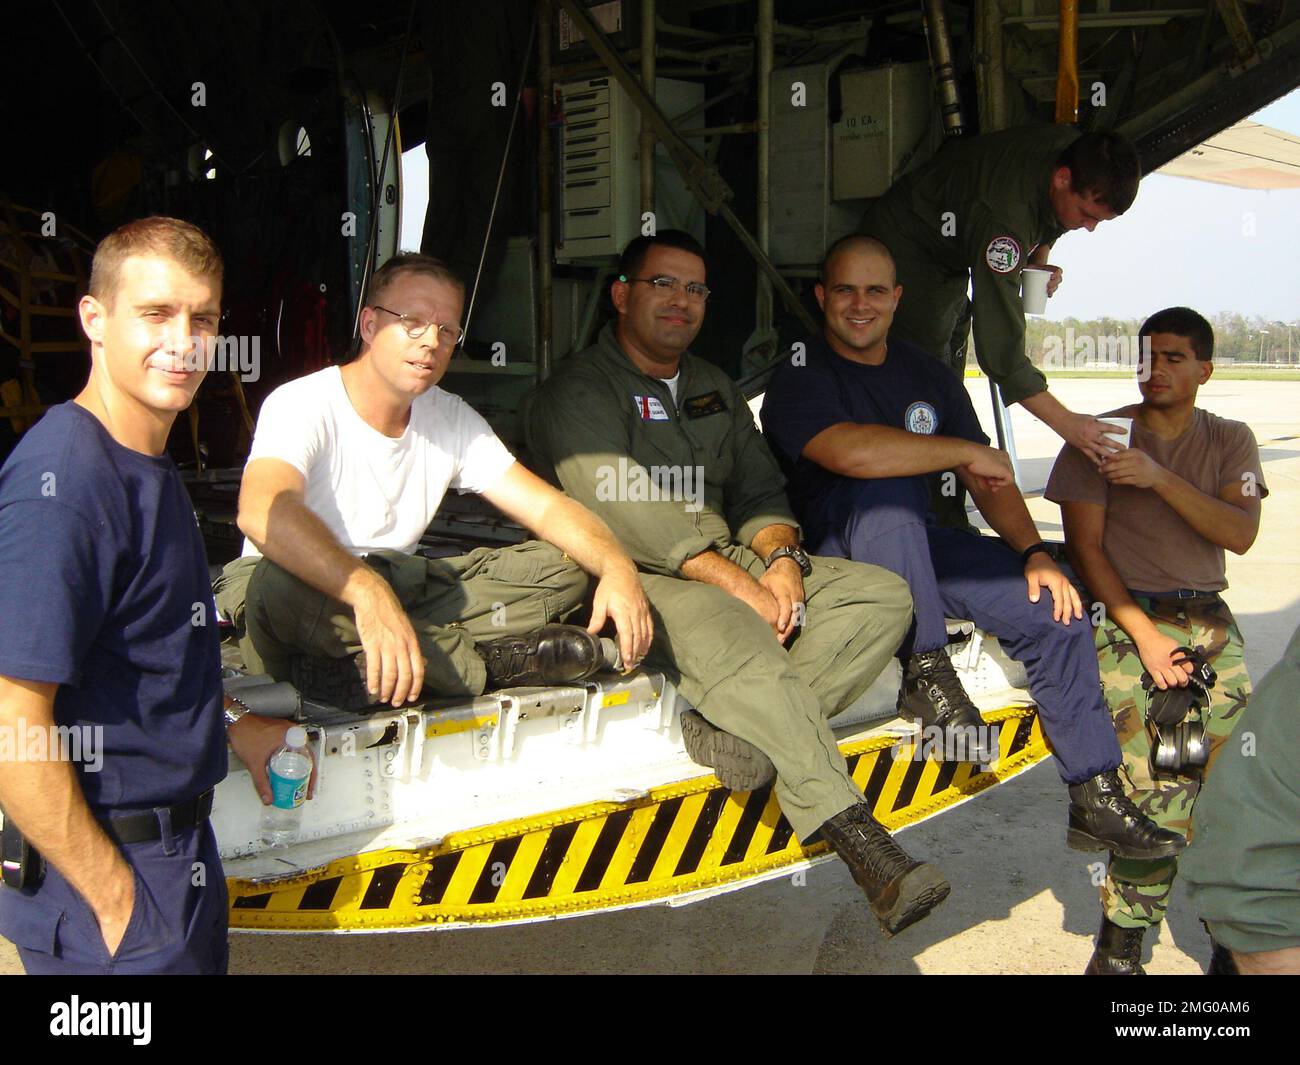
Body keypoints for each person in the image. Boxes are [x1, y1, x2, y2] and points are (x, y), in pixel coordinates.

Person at [524, 230, 950, 937]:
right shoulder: (575, 390)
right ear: (622, 295)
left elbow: (758, 487)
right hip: (637, 571)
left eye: (695, 289)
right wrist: (737, 584)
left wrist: (780, 557)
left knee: (881, 596)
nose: (681, 301)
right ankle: (868, 850)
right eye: (662, 284)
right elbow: (620, 501)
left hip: (727, 556)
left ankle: (734, 729)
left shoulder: (712, 386)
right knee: (743, 639)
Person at [760, 234, 1184, 865]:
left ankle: (1094, 796)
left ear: (897, 298)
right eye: (845, 290)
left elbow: (992, 478)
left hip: (921, 544)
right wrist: (958, 451)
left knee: (1055, 609)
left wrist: (1034, 552)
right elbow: (851, 452)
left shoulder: (926, 373)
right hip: (839, 553)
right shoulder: (800, 372)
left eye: (875, 290)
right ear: (822, 296)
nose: (860, 305)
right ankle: (927, 676)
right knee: (892, 484)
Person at [0, 216, 300, 974]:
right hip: (110, 873)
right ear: (94, 319)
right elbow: (12, 723)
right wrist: (115, 902)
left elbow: (142, 652)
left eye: (202, 318)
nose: (184, 339)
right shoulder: (67, 483)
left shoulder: (145, 462)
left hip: (173, 859)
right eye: (156, 313)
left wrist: (230, 718)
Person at [214, 253, 651, 712]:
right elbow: (262, 512)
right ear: (368, 325)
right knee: (282, 585)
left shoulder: (450, 415)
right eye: (412, 322)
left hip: (395, 588)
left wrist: (619, 568)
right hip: (300, 595)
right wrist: (366, 591)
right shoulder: (302, 403)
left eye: (447, 331)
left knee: (567, 569)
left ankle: (363, 666)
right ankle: (485, 665)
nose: (431, 342)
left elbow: (546, 508)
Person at [1046, 306, 1266, 975]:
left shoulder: (1231, 438)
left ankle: (1237, 940)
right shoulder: (1101, 437)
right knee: (1157, 786)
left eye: (1174, 357)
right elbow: (1086, 551)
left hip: (1211, 625)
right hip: (1129, 620)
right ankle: (1120, 952)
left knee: (1238, 789)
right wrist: (1140, 634)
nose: (1157, 369)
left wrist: (1158, 477)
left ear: (1205, 368)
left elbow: (1240, 530)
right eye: (1147, 355)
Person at [858, 126, 1141, 524]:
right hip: (910, 246)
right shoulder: (1003, 224)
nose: (1089, 227)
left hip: (951, 250)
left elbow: (1049, 216)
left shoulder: (1074, 150)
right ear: (1062, 179)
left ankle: (942, 502)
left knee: (945, 375)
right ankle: (925, 519)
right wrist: (1068, 425)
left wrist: (1039, 254)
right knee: (926, 389)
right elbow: (1001, 352)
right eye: (1087, 214)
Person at [1182, 623, 1300, 976]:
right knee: (1163, 805)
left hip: (1208, 616)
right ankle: (1119, 945)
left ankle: (1223, 947)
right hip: (1149, 618)